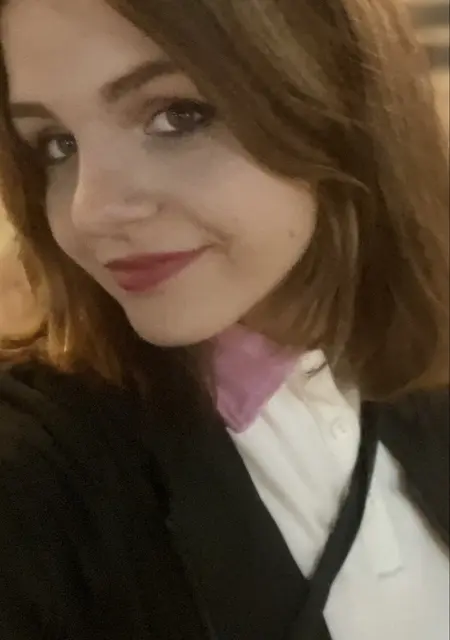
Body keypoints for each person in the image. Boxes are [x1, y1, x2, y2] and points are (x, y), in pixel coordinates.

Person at [0, 0, 448, 638]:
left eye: (176, 115)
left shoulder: (411, 375)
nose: (88, 212)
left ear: (340, 101)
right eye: (57, 144)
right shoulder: (43, 472)